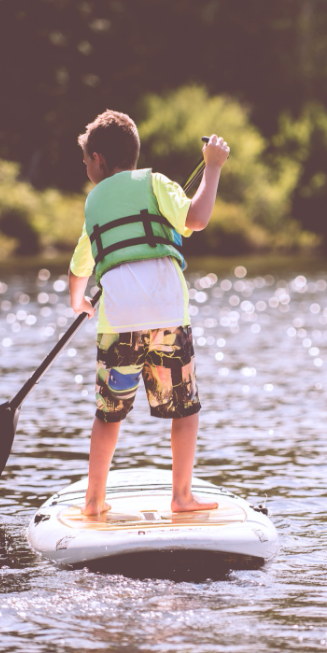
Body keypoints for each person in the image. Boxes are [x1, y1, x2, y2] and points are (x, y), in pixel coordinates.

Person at [68, 109, 229, 517]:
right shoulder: (156, 183)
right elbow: (197, 217)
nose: (85, 166)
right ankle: (181, 497)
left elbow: (79, 267)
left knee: (109, 415)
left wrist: (79, 302)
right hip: (168, 319)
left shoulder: (93, 203)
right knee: (185, 409)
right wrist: (212, 169)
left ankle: (93, 501)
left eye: (86, 159)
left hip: (119, 324)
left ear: (99, 160)